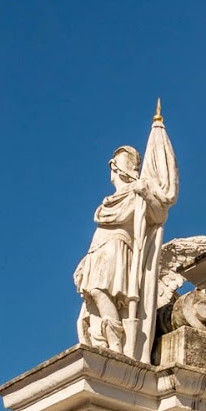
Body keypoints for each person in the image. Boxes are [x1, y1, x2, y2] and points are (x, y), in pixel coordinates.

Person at [74, 146, 161, 354]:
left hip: (117, 246)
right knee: (91, 296)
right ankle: (100, 342)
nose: (113, 169)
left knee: (99, 289)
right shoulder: (109, 202)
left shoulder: (137, 193)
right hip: (98, 249)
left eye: (117, 163)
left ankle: (116, 343)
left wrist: (147, 194)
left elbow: (159, 215)